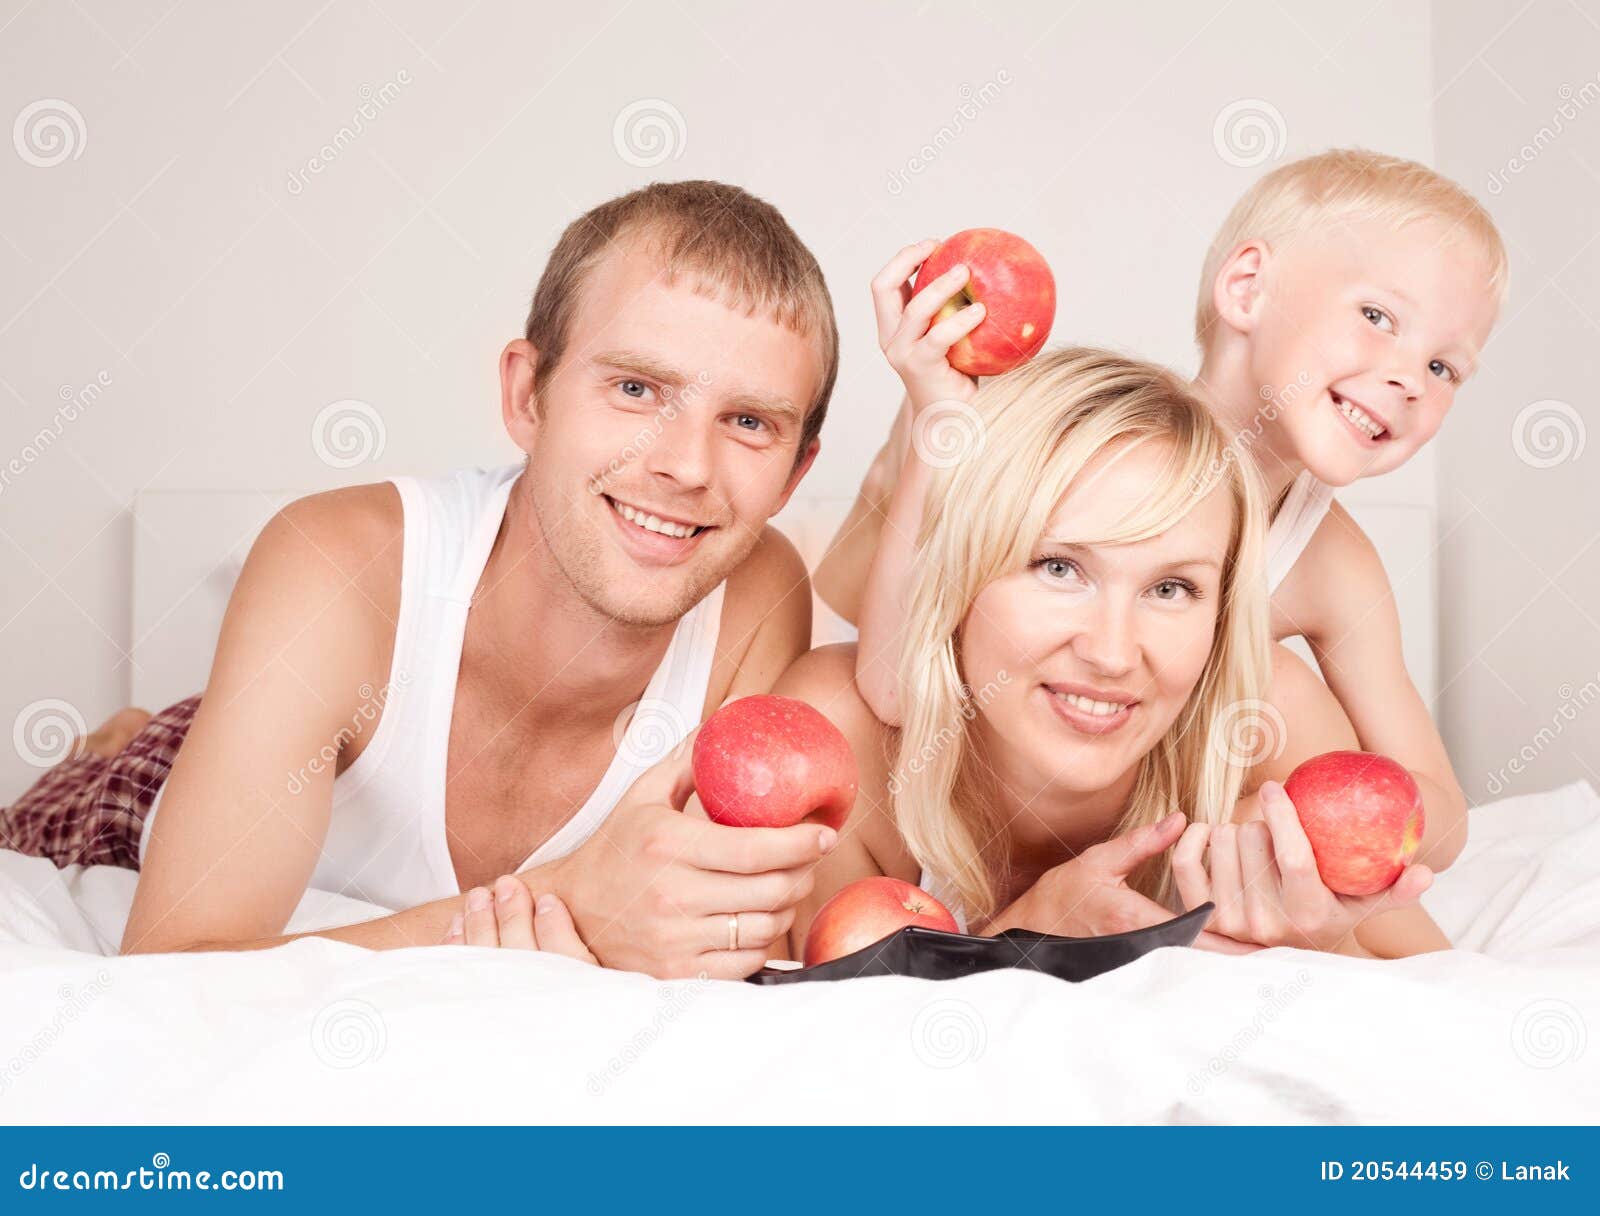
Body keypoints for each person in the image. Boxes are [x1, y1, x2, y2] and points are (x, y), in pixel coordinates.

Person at [2, 180, 845, 980]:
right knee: (106, 781)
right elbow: (172, 973)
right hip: (141, 790)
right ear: (528, 396)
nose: (685, 467)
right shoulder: (336, 559)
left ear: (796, 473)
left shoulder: (760, 591)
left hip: (311, 734)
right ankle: (126, 737)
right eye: (635, 387)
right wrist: (565, 901)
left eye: (747, 422)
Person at [454, 349, 1445, 959]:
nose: (1111, 651)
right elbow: (850, 1025)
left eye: (1172, 588)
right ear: (959, 577)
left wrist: (1324, 940)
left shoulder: (1261, 716)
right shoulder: (833, 739)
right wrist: (1027, 939)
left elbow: (1435, 983)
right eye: (1057, 567)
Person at [818, 149, 1506, 878]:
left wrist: (1288, 824)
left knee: (1265, 697)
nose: (1408, 377)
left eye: (1444, 368)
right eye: (1377, 316)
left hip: (1120, 837)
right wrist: (937, 414)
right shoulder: (1063, 445)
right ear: (1246, 289)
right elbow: (892, 688)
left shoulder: (1335, 567)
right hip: (932, 806)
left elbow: (1444, 817)